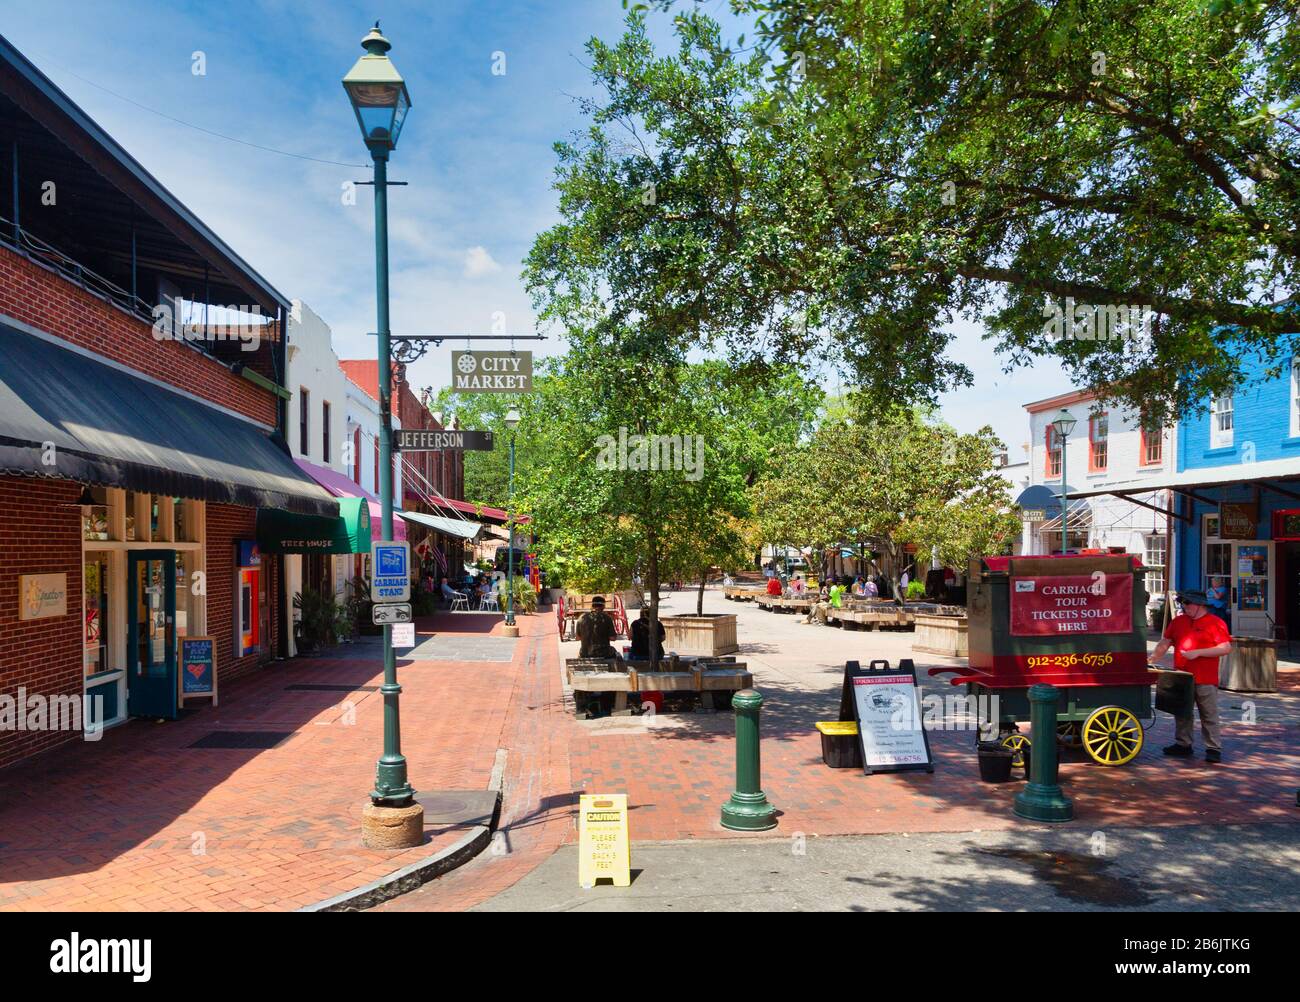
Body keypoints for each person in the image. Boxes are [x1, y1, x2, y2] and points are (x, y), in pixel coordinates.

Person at [1152, 589, 1233, 763]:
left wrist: (1198, 653)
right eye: (1183, 603)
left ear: (1200, 605)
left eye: (1188, 603)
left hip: (1205, 677)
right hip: (1182, 675)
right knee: (1181, 712)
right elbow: (1165, 642)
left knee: (1208, 713)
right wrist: (1151, 659)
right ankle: (1183, 744)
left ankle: (1213, 748)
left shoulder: (1215, 623)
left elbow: (1225, 648)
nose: (1184, 606)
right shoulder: (1178, 622)